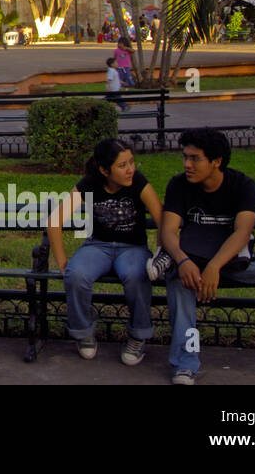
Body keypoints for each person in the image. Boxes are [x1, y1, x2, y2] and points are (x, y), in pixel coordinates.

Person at [152, 128, 255, 385]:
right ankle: (186, 364)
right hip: (192, 254)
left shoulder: (243, 185)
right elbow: (168, 230)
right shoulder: (178, 185)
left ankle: (181, 265)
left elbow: (242, 232)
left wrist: (214, 268)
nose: (187, 164)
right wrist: (184, 261)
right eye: (185, 157)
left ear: (216, 161)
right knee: (179, 280)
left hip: (226, 256)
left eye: (195, 158)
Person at [47, 139, 164, 365]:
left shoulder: (138, 182)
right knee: (76, 274)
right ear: (104, 170)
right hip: (97, 246)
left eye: (131, 162)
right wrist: (62, 260)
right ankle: (83, 332)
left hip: (132, 248)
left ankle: (138, 336)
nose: (130, 169)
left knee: (136, 275)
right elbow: (55, 221)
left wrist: (159, 253)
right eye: (122, 165)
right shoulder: (89, 183)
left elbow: (161, 217)